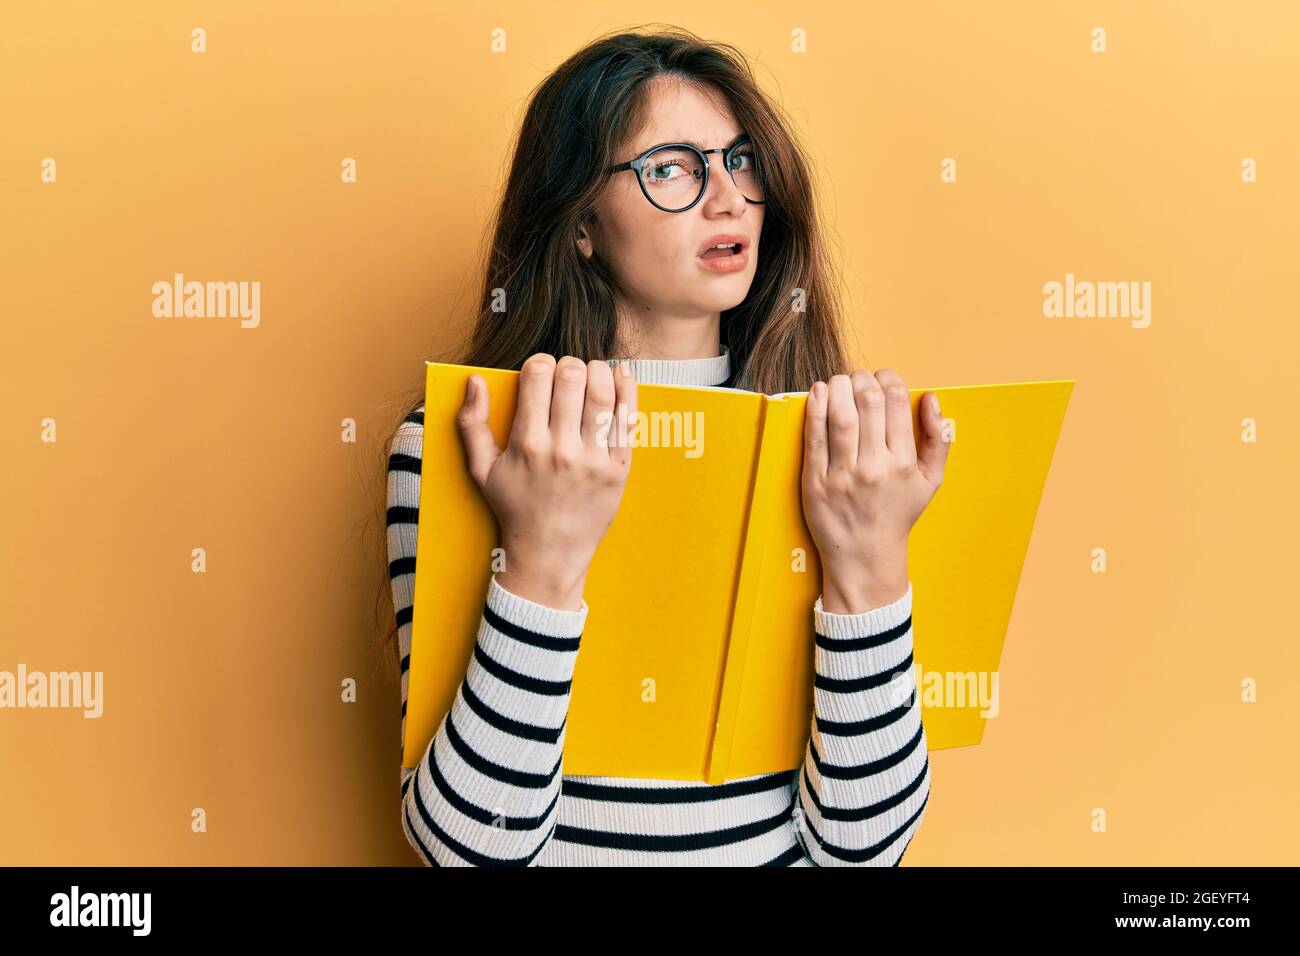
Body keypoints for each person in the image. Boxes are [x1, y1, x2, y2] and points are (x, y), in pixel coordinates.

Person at [379, 26, 948, 866]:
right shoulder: (469, 444)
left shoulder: (844, 450)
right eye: (672, 168)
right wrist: (541, 559)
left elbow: (863, 853)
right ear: (580, 223)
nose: (727, 199)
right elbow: (469, 853)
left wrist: (869, 569)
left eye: (743, 160)